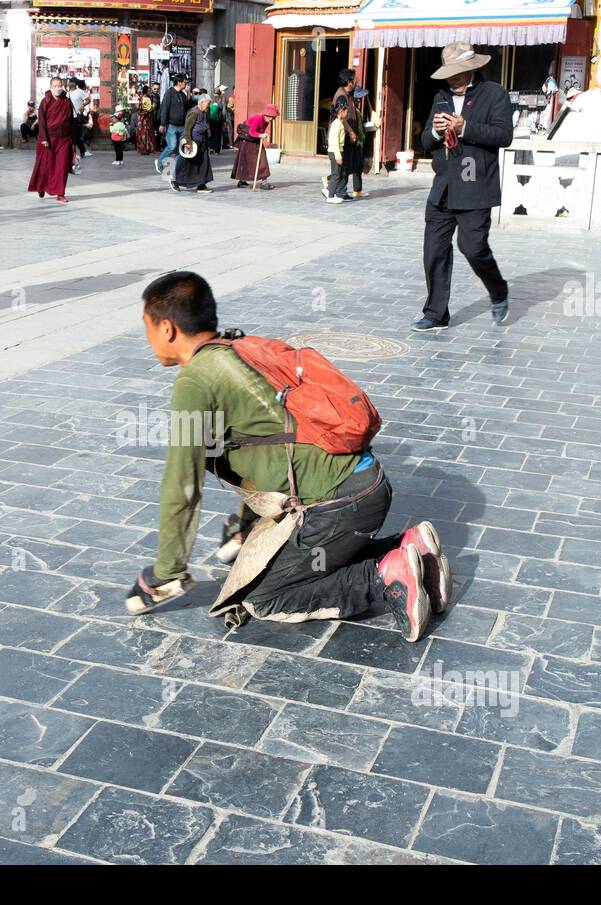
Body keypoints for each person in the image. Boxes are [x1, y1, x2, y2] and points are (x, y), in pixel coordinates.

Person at [127, 271, 450, 642]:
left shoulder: (195, 381)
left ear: (166, 328)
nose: (148, 336)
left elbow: (182, 484)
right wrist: (245, 520)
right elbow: (268, 440)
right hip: (367, 487)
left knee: (265, 597)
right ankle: (410, 550)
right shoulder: (241, 348)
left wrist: (167, 573)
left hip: (336, 508)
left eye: (147, 326)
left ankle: (385, 577)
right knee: (307, 563)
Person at [413, 42, 513, 332]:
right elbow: (426, 143)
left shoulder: (494, 94)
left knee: (473, 248)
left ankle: (498, 290)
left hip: (475, 186)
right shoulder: (441, 96)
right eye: (449, 73)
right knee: (434, 252)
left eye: (458, 72)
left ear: (472, 69)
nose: (452, 78)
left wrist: (464, 127)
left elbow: (503, 135)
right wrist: (435, 130)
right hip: (442, 188)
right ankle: (436, 313)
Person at [29, 76, 74, 204]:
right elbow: (41, 121)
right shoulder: (46, 101)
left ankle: (60, 193)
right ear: (50, 87)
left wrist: (73, 140)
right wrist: (43, 138)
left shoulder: (66, 102)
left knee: (62, 166)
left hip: (64, 138)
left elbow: (71, 121)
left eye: (60, 85)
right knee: (45, 165)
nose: (57, 88)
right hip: (48, 138)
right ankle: (41, 186)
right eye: (55, 86)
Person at [328, 70, 366, 199]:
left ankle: (341, 191)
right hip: (342, 137)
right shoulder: (341, 96)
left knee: (347, 165)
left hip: (348, 136)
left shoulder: (348, 94)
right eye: (355, 80)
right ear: (349, 82)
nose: (356, 82)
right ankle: (337, 192)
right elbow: (340, 118)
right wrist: (350, 132)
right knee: (342, 167)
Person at [172, 94, 213, 194]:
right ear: (202, 103)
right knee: (186, 163)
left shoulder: (204, 112)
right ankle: (175, 181)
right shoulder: (194, 112)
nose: (209, 106)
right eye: (208, 104)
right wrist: (189, 143)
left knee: (203, 163)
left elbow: (204, 124)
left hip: (201, 141)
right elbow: (187, 129)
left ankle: (201, 185)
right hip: (193, 141)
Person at [230, 104, 279, 189]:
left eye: (273, 118)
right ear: (266, 115)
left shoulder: (266, 121)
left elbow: (260, 131)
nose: (272, 119)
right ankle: (242, 181)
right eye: (271, 117)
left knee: (262, 159)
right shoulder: (258, 118)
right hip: (247, 141)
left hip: (255, 140)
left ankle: (264, 182)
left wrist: (262, 135)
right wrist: (260, 135)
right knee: (246, 161)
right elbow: (251, 132)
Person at [155, 74, 190, 175]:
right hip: (171, 125)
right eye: (185, 82)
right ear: (179, 82)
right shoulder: (169, 93)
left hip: (182, 125)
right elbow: (164, 109)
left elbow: (186, 109)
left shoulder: (183, 94)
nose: (186, 84)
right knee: (172, 146)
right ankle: (160, 161)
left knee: (180, 149)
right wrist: (162, 124)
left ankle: (176, 168)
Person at [325, 100, 350, 204]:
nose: (347, 113)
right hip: (335, 151)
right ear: (341, 111)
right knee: (336, 175)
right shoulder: (337, 123)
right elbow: (334, 141)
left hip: (337, 151)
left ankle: (332, 193)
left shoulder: (339, 122)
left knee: (338, 173)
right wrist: (338, 156)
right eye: (346, 111)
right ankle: (330, 195)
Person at [67, 78, 89, 166]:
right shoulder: (67, 93)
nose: (69, 83)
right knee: (72, 136)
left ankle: (81, 151)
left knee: (76, 136)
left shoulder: (80, 92)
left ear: (74, 83)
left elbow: (88, 99)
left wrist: (83, 105)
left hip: (77, 117)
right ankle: (75, 153)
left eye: (71, 82)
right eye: (69, 82)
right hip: (68, 118)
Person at [135, 85, 156, 155]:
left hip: (140, 117)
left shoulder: (140, 98)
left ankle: (141, 149)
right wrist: (154, 105)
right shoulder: (147, 99)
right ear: (147, 91)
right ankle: (147, 148)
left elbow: (137, 107)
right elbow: (149, 108)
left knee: (140, 132)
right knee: (147, 132)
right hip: (146, 117)